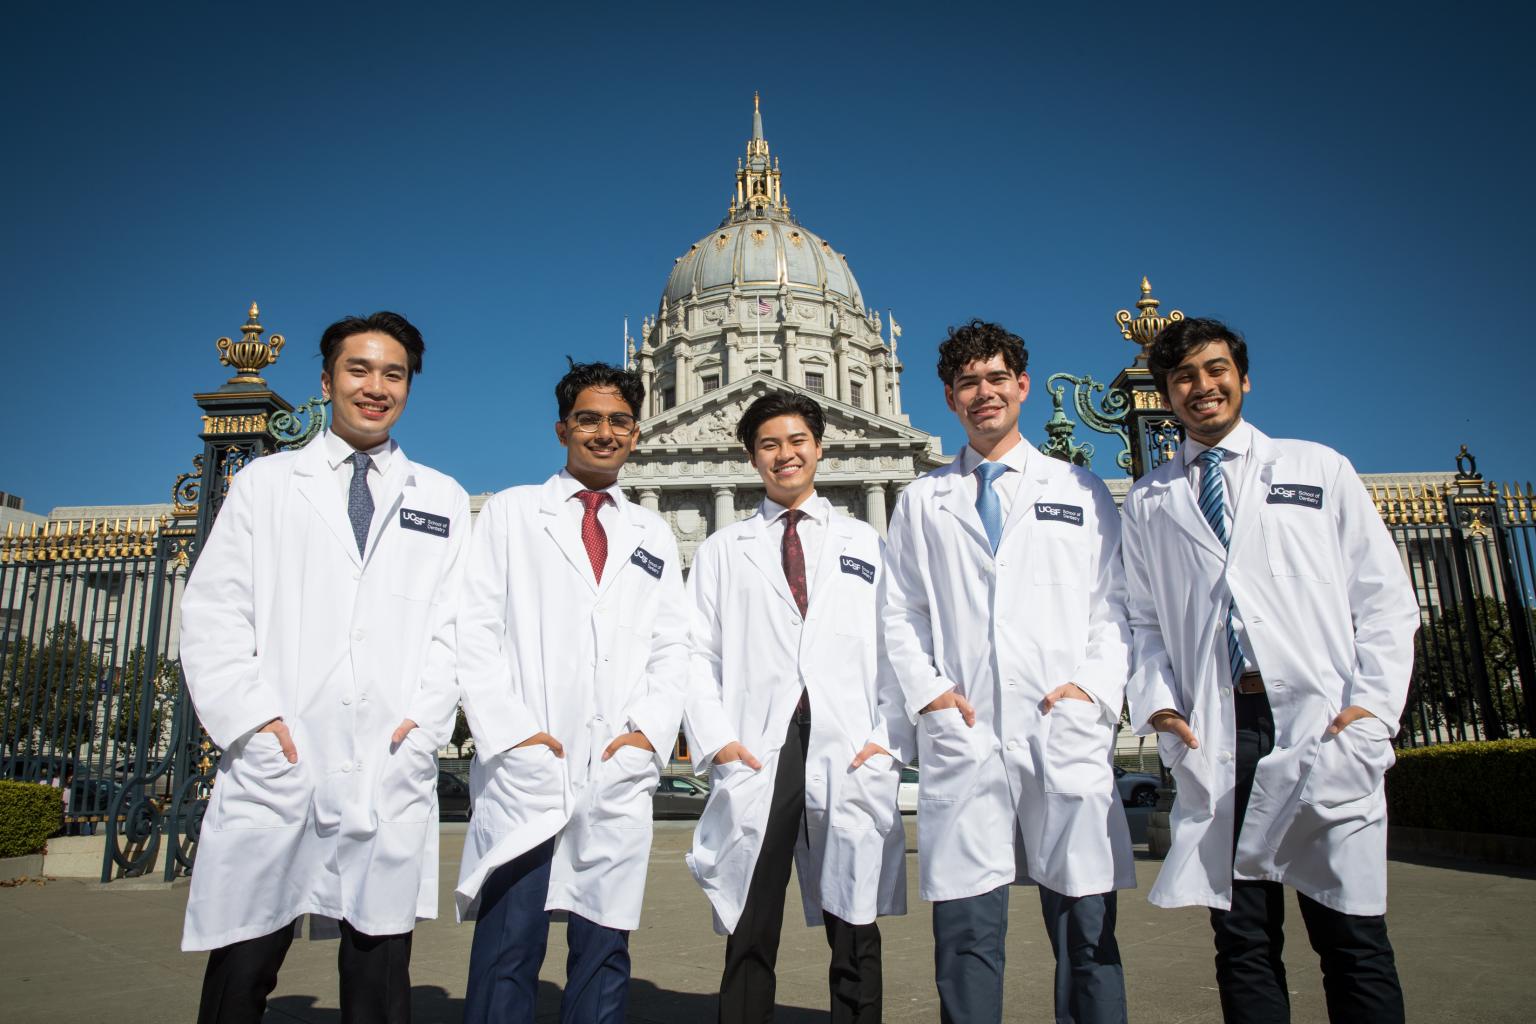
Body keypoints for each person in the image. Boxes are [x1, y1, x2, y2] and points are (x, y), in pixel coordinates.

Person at [1122, 318, 1418, 1023]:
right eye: (1184, 377)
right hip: (1219, 732)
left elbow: (1385, 603)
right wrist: (1161, 710)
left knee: (1352, 934)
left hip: (1323, 723)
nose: (1203, 387)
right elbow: (1142, 624)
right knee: (1243, 942)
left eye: (1215, 370)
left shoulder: (1319, 469)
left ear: (1244, 377)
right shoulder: (1147, 501)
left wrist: (1374, 711)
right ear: (1165, 395)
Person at [179, 311, 469, 1024]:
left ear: (409, 387)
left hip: (387, 758)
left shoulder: (442, 497)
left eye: (393, 374)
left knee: (379, 975)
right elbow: (214, 614)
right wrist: (253, 721)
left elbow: (457, 630)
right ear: (327, 380)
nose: (376, 387)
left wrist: (425, 726)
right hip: (282, 755)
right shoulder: (267, 485)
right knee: (243, 968)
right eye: (359, 370)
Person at [882, 319, 1135, 1024]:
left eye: (997, 379)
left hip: (1062, 730)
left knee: (1086, 927)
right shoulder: (920, 501)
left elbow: (1113, 606)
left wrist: (1091, 691)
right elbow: (899, 614)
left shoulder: (1082, 489)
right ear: (948, 396)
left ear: (1022, 386)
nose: (984, 393)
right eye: (969, 382)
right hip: (964, 732)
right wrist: (930, 695)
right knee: (965, 934)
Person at [455, 361, 689, 1024]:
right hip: (527, 765)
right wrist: (512, 731)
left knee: (604, 952)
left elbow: (673, 647)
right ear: (564, 428)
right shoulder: (508, 513)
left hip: (614, 767)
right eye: (589, 419)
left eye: (619, 421)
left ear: (638, 433)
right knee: (509, 947)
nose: (604, 432)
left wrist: (647, 733)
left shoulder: (653, 533)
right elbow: (472, 631)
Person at [684, 391, 910, 1024]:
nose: (785, 455)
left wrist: (889, 739)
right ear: (752, 456)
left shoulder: (867, 541)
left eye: (796, 441)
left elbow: (898, 648)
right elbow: (695, 654)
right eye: (768, 444)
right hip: (762, 746)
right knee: (751, 921)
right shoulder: (722, 550)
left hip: (848, 742)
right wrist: (719, 740)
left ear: (820, 446)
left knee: (855, 920)